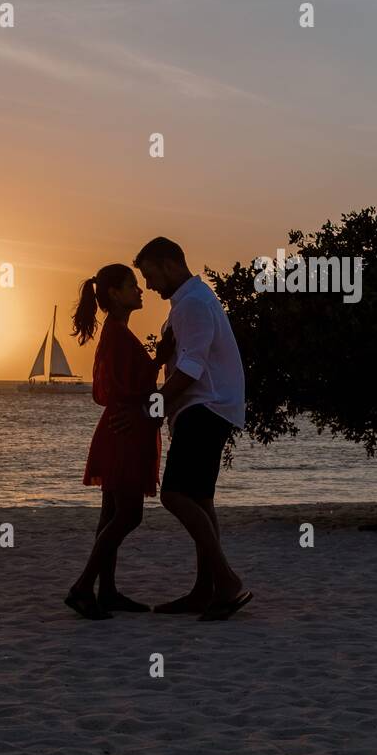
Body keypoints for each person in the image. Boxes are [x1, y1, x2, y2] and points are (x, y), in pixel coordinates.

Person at [116, 237, 252, 621]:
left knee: (174, 495)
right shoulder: (192, 302)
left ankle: (226, 582)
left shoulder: (192, 304)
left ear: (169, 264)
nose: (150, 285)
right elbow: (186, 360)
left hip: (204, 407)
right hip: (214, 406)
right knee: (201, 499)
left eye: (150, 274)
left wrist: (151, 410)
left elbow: (191, 370)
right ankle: (205, 589)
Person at [64, 264, 165, 620]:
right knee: (129, 514)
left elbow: (123, 384)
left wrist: (157, 362)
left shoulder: (116, 332)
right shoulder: (119, 335)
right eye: (132, 286)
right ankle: (82, 587)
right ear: (114, 294)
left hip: (119, 428)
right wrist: (163, 360)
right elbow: (127, 388)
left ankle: (106, 591)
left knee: (111, 512)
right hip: (125, 432)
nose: (140, 292)